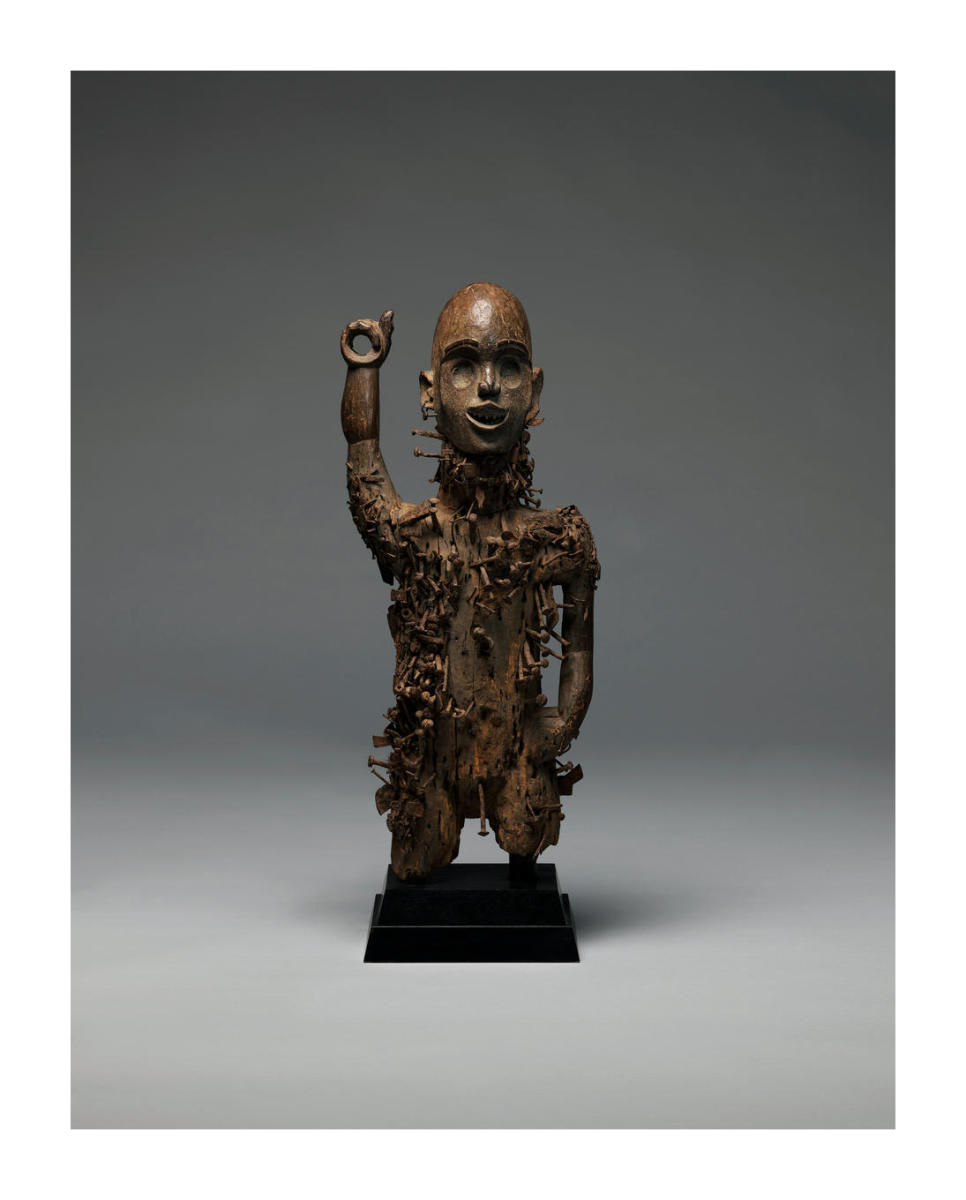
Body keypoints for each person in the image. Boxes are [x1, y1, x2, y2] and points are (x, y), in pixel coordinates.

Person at [340, 282, 599, 882]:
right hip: (429, 760)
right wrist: (363, 370)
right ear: (429, 392)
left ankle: (516, 819)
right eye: (463, 366)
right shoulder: (416, 535)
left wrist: (563, 720)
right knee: (418, 859)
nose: (488, 387)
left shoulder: (557, 539)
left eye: (508, 367)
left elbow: (580, 653)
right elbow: (364, 469)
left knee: (526, 831)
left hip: (518, 754)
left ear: (533, 389)